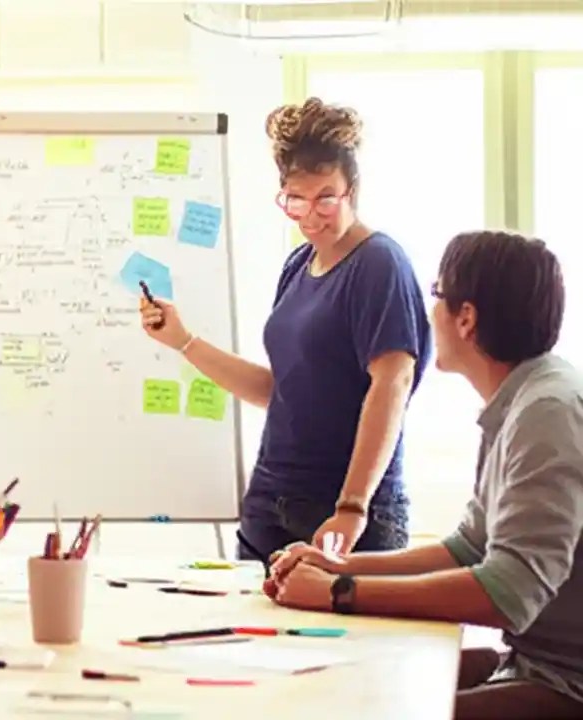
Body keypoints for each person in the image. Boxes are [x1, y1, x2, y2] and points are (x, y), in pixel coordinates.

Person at [267, 231, 583, 719]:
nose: (428, 313)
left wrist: (338, 594)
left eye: (436, 294)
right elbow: (468, 548)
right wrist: (339, 567)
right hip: (534, 663)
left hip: (566, 683)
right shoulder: (524, 400)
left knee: (373, 709)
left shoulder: (547, 411)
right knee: (354, 681)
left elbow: (509, 592)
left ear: (466, 318)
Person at [139, 97, 430, 558]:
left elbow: (392, 383)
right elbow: (281, 391)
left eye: (326, 199)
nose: (310, 216)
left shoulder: (379, 264)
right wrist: (184, 341)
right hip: (271, 501)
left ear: (353, 189)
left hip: (340, 508)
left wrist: (352, 506)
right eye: (296, 200)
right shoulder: (299, 264)